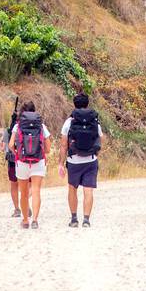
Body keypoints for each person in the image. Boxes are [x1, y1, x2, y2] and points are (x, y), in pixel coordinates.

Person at [59, 92, 104, 228]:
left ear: (74, 105)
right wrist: (95, 154)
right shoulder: (94, 121)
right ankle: (86, 220)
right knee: (88, 190)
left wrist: (61, 162)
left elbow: (63, 144)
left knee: (72, 189)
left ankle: (74, 219)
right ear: (87, 104)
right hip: (91, 160)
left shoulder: (69, 122)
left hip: (73, 161)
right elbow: (100, 140)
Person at [8, 100, 50, 230]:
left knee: (24, 193)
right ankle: (35, 220)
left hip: (22, 162)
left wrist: (17, 154)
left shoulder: (18, 126)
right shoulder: (41, 126)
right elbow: (48, 148)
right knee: (36, 191)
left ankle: (25, 220)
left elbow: (10, 145)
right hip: (38, 162)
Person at [0, 98, 22, 218]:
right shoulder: (26, 129)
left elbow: (1, 148)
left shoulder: (8, 131)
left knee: (14, 185)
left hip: (12, 160)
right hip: (25, 160)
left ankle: (17, 209)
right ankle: (26, 203)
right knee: (27, 185)